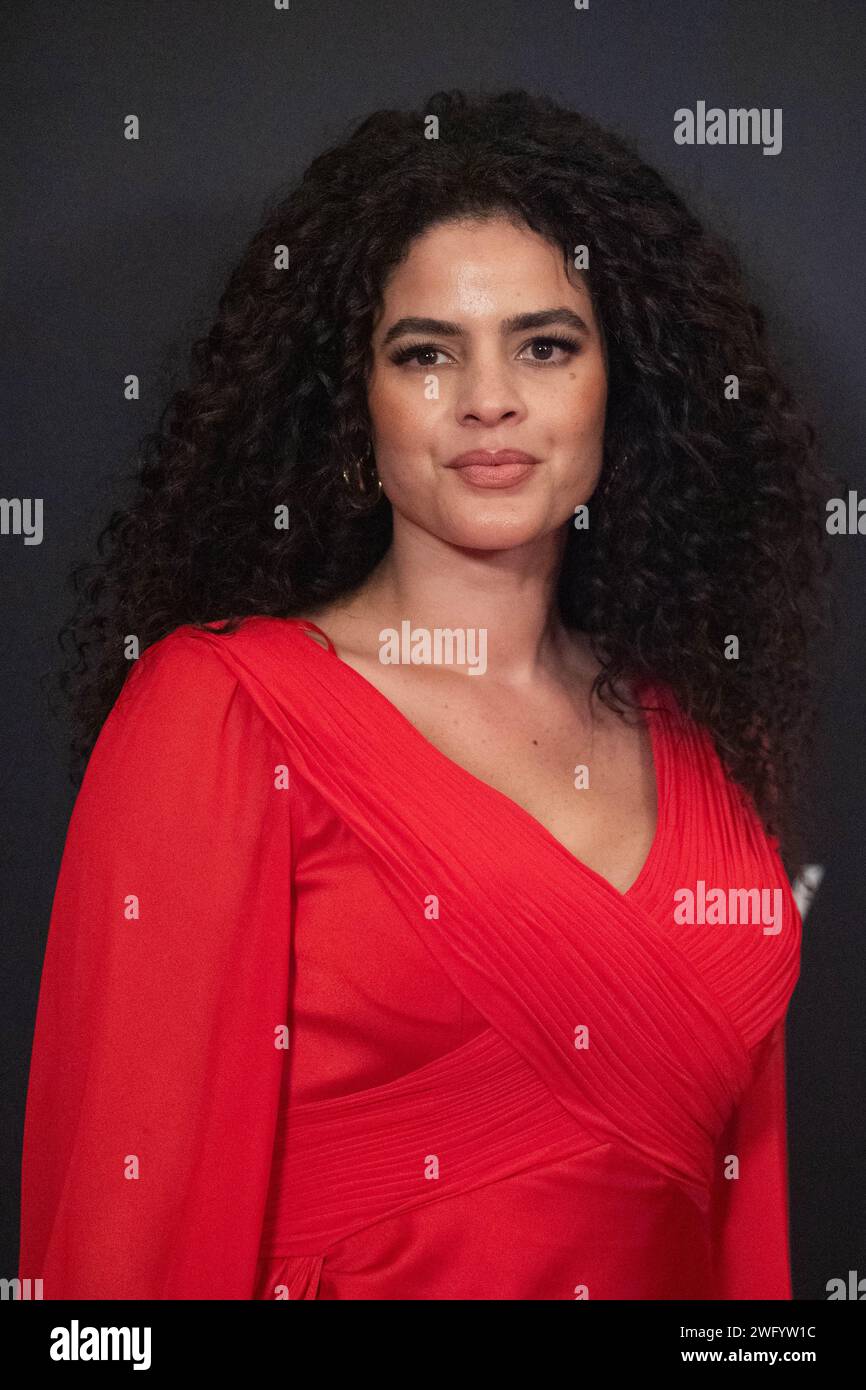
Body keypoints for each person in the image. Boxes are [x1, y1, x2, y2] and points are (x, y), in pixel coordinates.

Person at [19, 88, 831, 1300]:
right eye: (426, 353)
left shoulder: (710, 739)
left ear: (624, 388)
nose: (488, 399)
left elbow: (738, 1236)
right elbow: (127, 1248)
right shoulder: (222, 711)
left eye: (544, 344)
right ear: (356, 406)